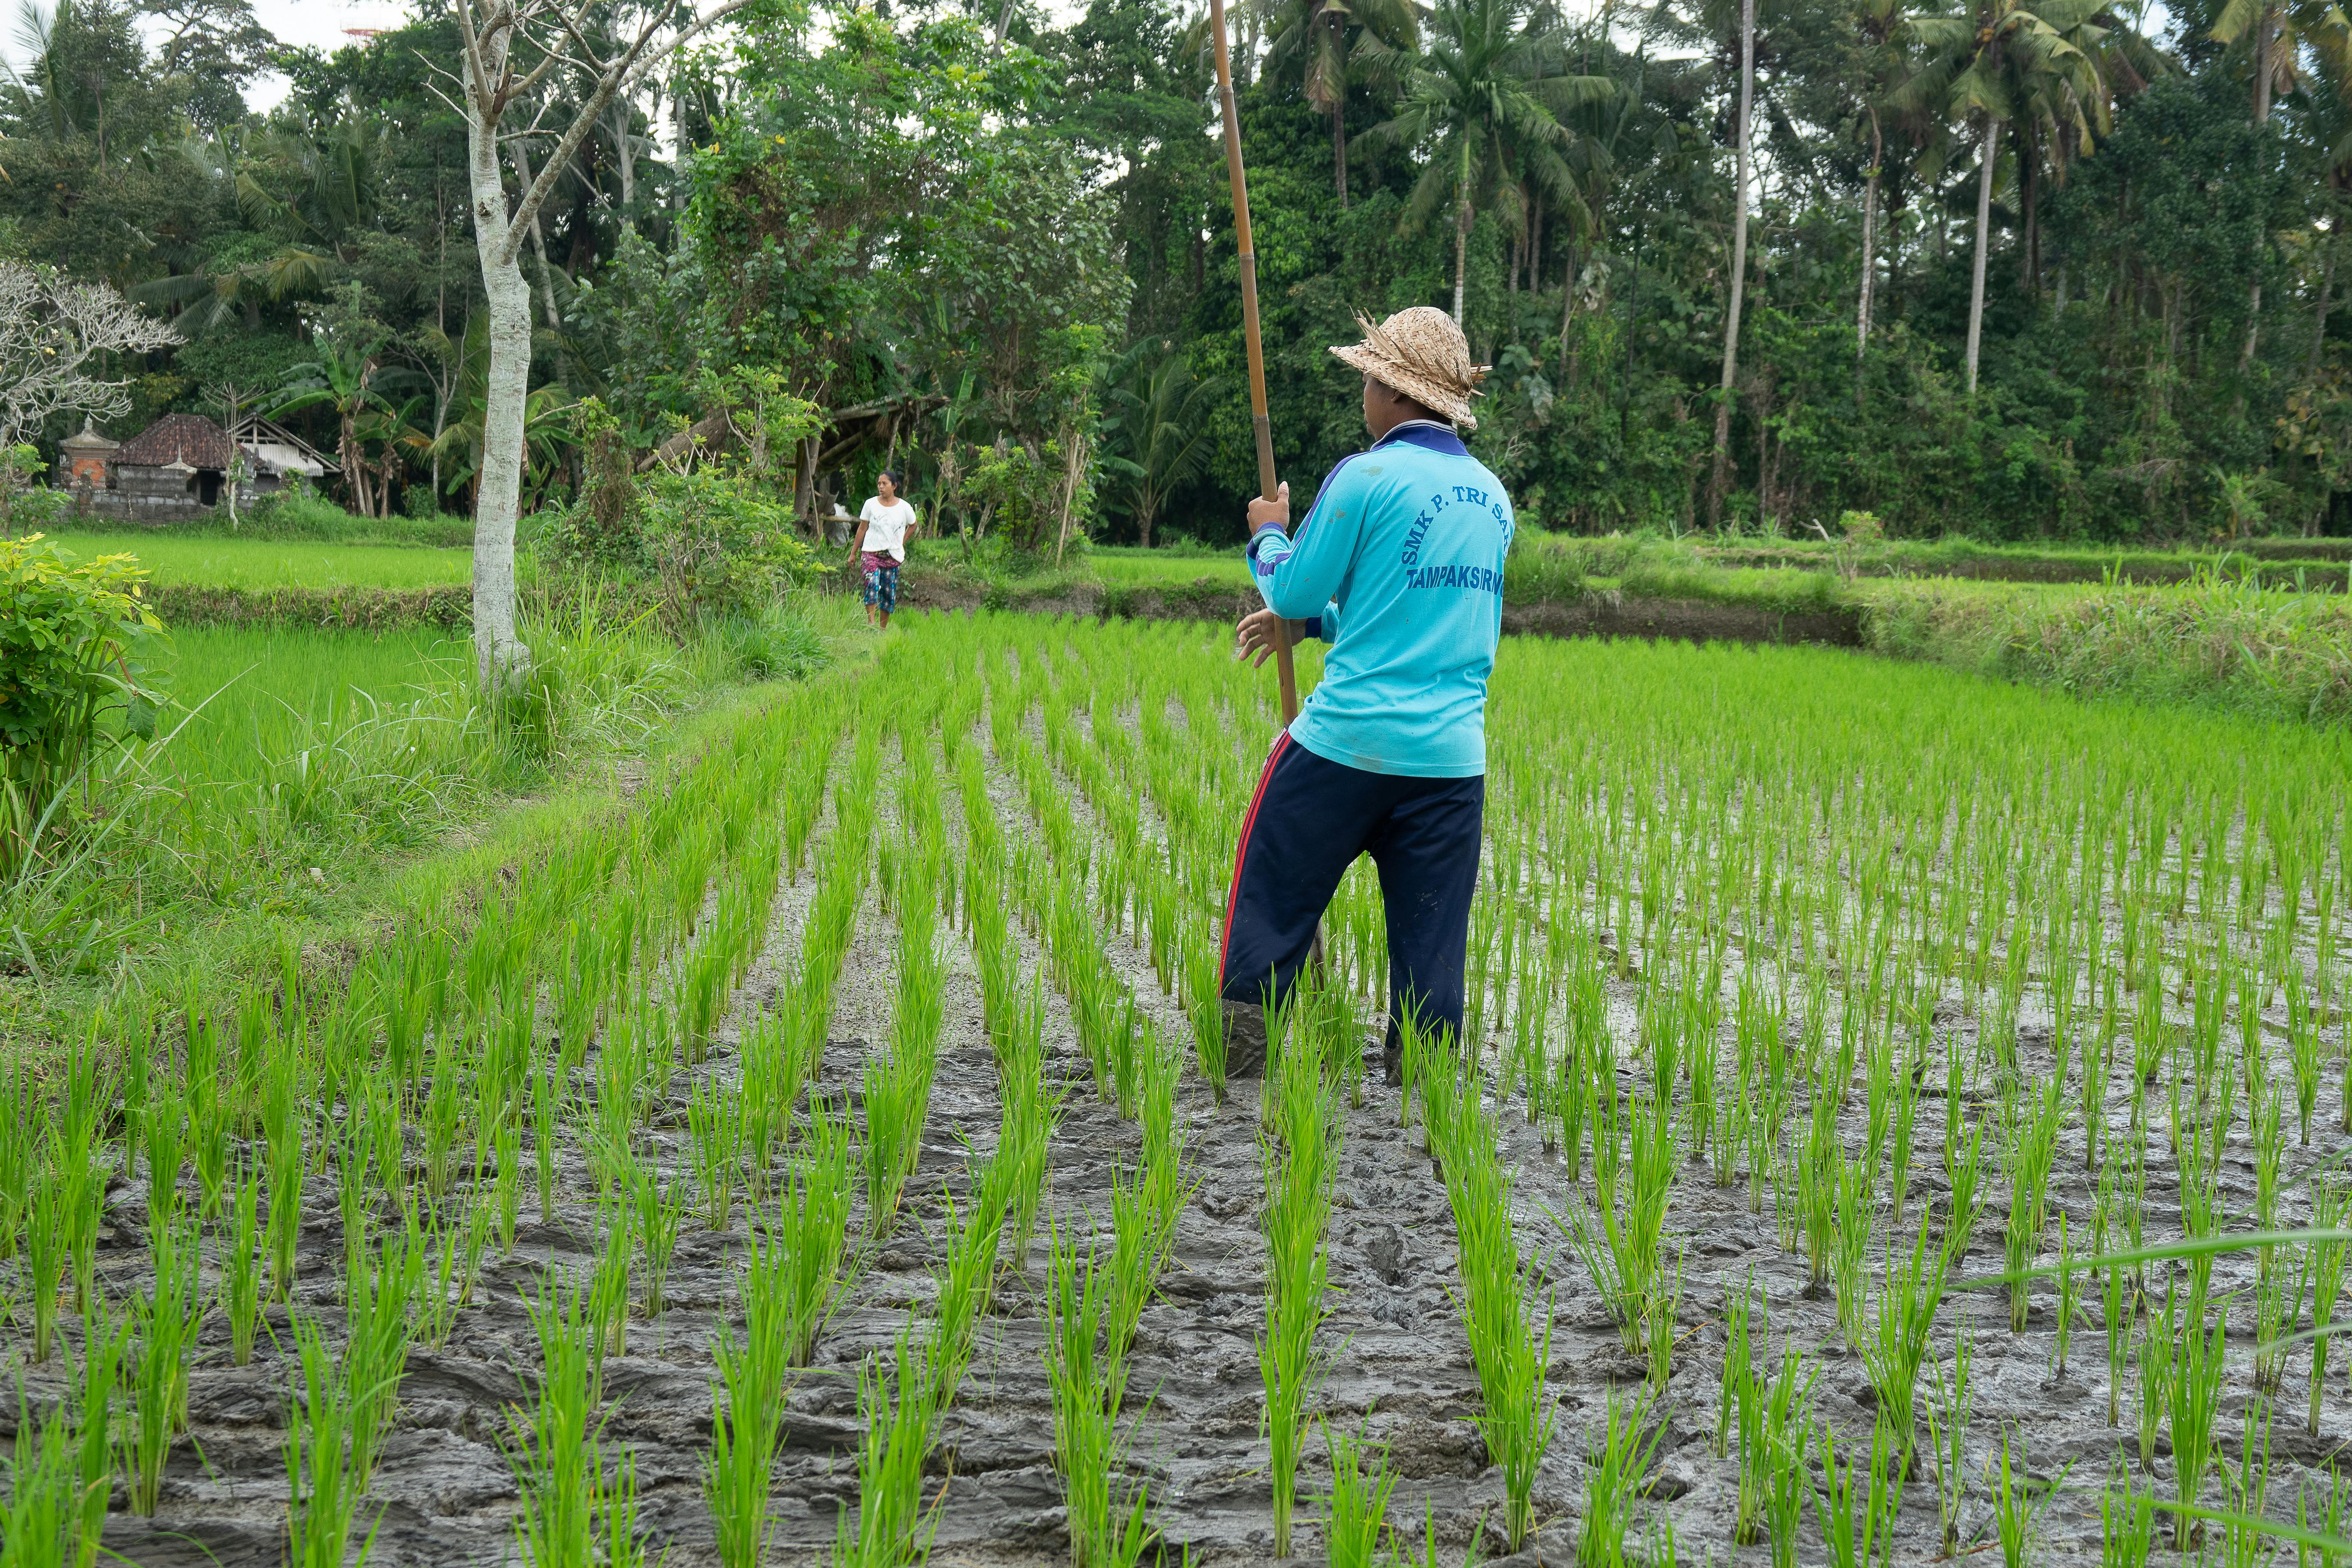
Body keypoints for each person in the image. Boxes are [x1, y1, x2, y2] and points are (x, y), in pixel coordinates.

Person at [1220, 306, 1513, 1084]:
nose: (1364, 393)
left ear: (1390, 390)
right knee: (1430, 951)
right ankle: (1422, 1106)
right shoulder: (1491, 497)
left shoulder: (1367, 474)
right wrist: (1316, 626)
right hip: (1450, 764)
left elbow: (1292, 584)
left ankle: (1243, 1078)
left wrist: (1268, 533)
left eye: (1366, 378)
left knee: (1270, 901)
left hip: (1344, 748)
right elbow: (1417, 612)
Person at [852, 470, 915, 630]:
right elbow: (862, 528)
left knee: (888, 593)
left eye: (885, 483)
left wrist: (902, 542)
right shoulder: (870, 504)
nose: (881, 486)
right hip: (870, 552)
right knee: (871, 583)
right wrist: (853, 553)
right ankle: (871, 623)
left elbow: (914, 525)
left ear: (894, 486)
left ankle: (882, 630)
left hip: (892, 555)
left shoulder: (904, 507)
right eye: (879, 483)